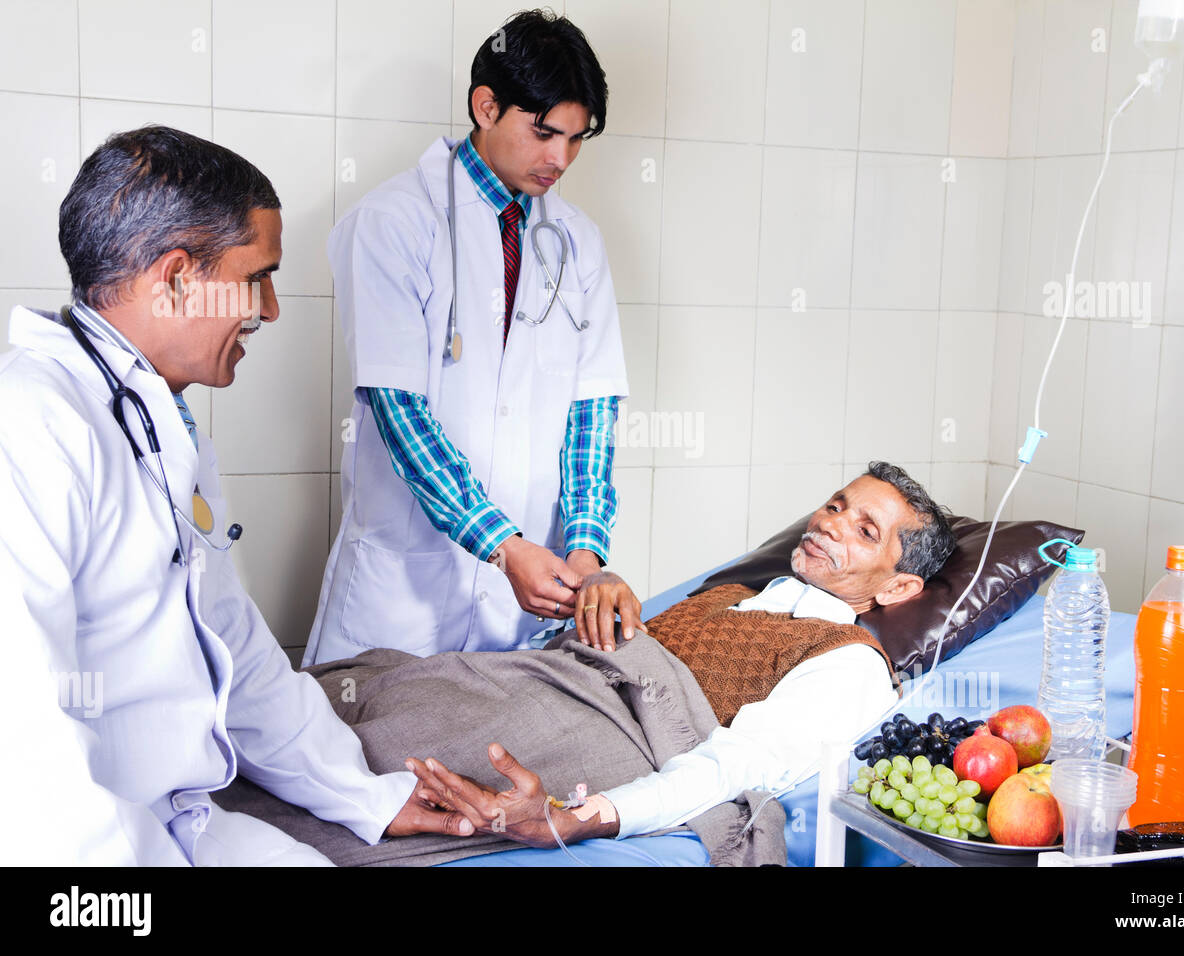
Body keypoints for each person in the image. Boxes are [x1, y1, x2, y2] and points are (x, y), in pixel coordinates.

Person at [0, 126, 477, 866]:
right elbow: (21, 736)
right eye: (257, 278)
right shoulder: (30, 423)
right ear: (179, 279)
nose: (271, 310)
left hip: (178, 820)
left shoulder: (162, 428)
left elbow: (233, 647)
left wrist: (365, 795)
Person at [220, 463, 956, 864]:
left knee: (373, 754)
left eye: (865, 531)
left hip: (609, 733)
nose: (831, 525)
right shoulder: (732, 593)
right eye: (835, 505)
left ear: (897, 587)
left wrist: (582, 818)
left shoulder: (850, 665)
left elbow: (738, 767)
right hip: (539, 676)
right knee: (341, 694)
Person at [305, 9, 637, 666]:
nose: (561, 159)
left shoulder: (580, 243)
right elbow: (400, 415)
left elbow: (592, 412)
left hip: (530, 602)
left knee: (500, 763)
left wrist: (586, 554)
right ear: (486, 106)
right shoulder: (393, 223)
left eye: (576, 139)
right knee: (373, 760)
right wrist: (503, 546)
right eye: (544, 133)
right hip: (404, 594)